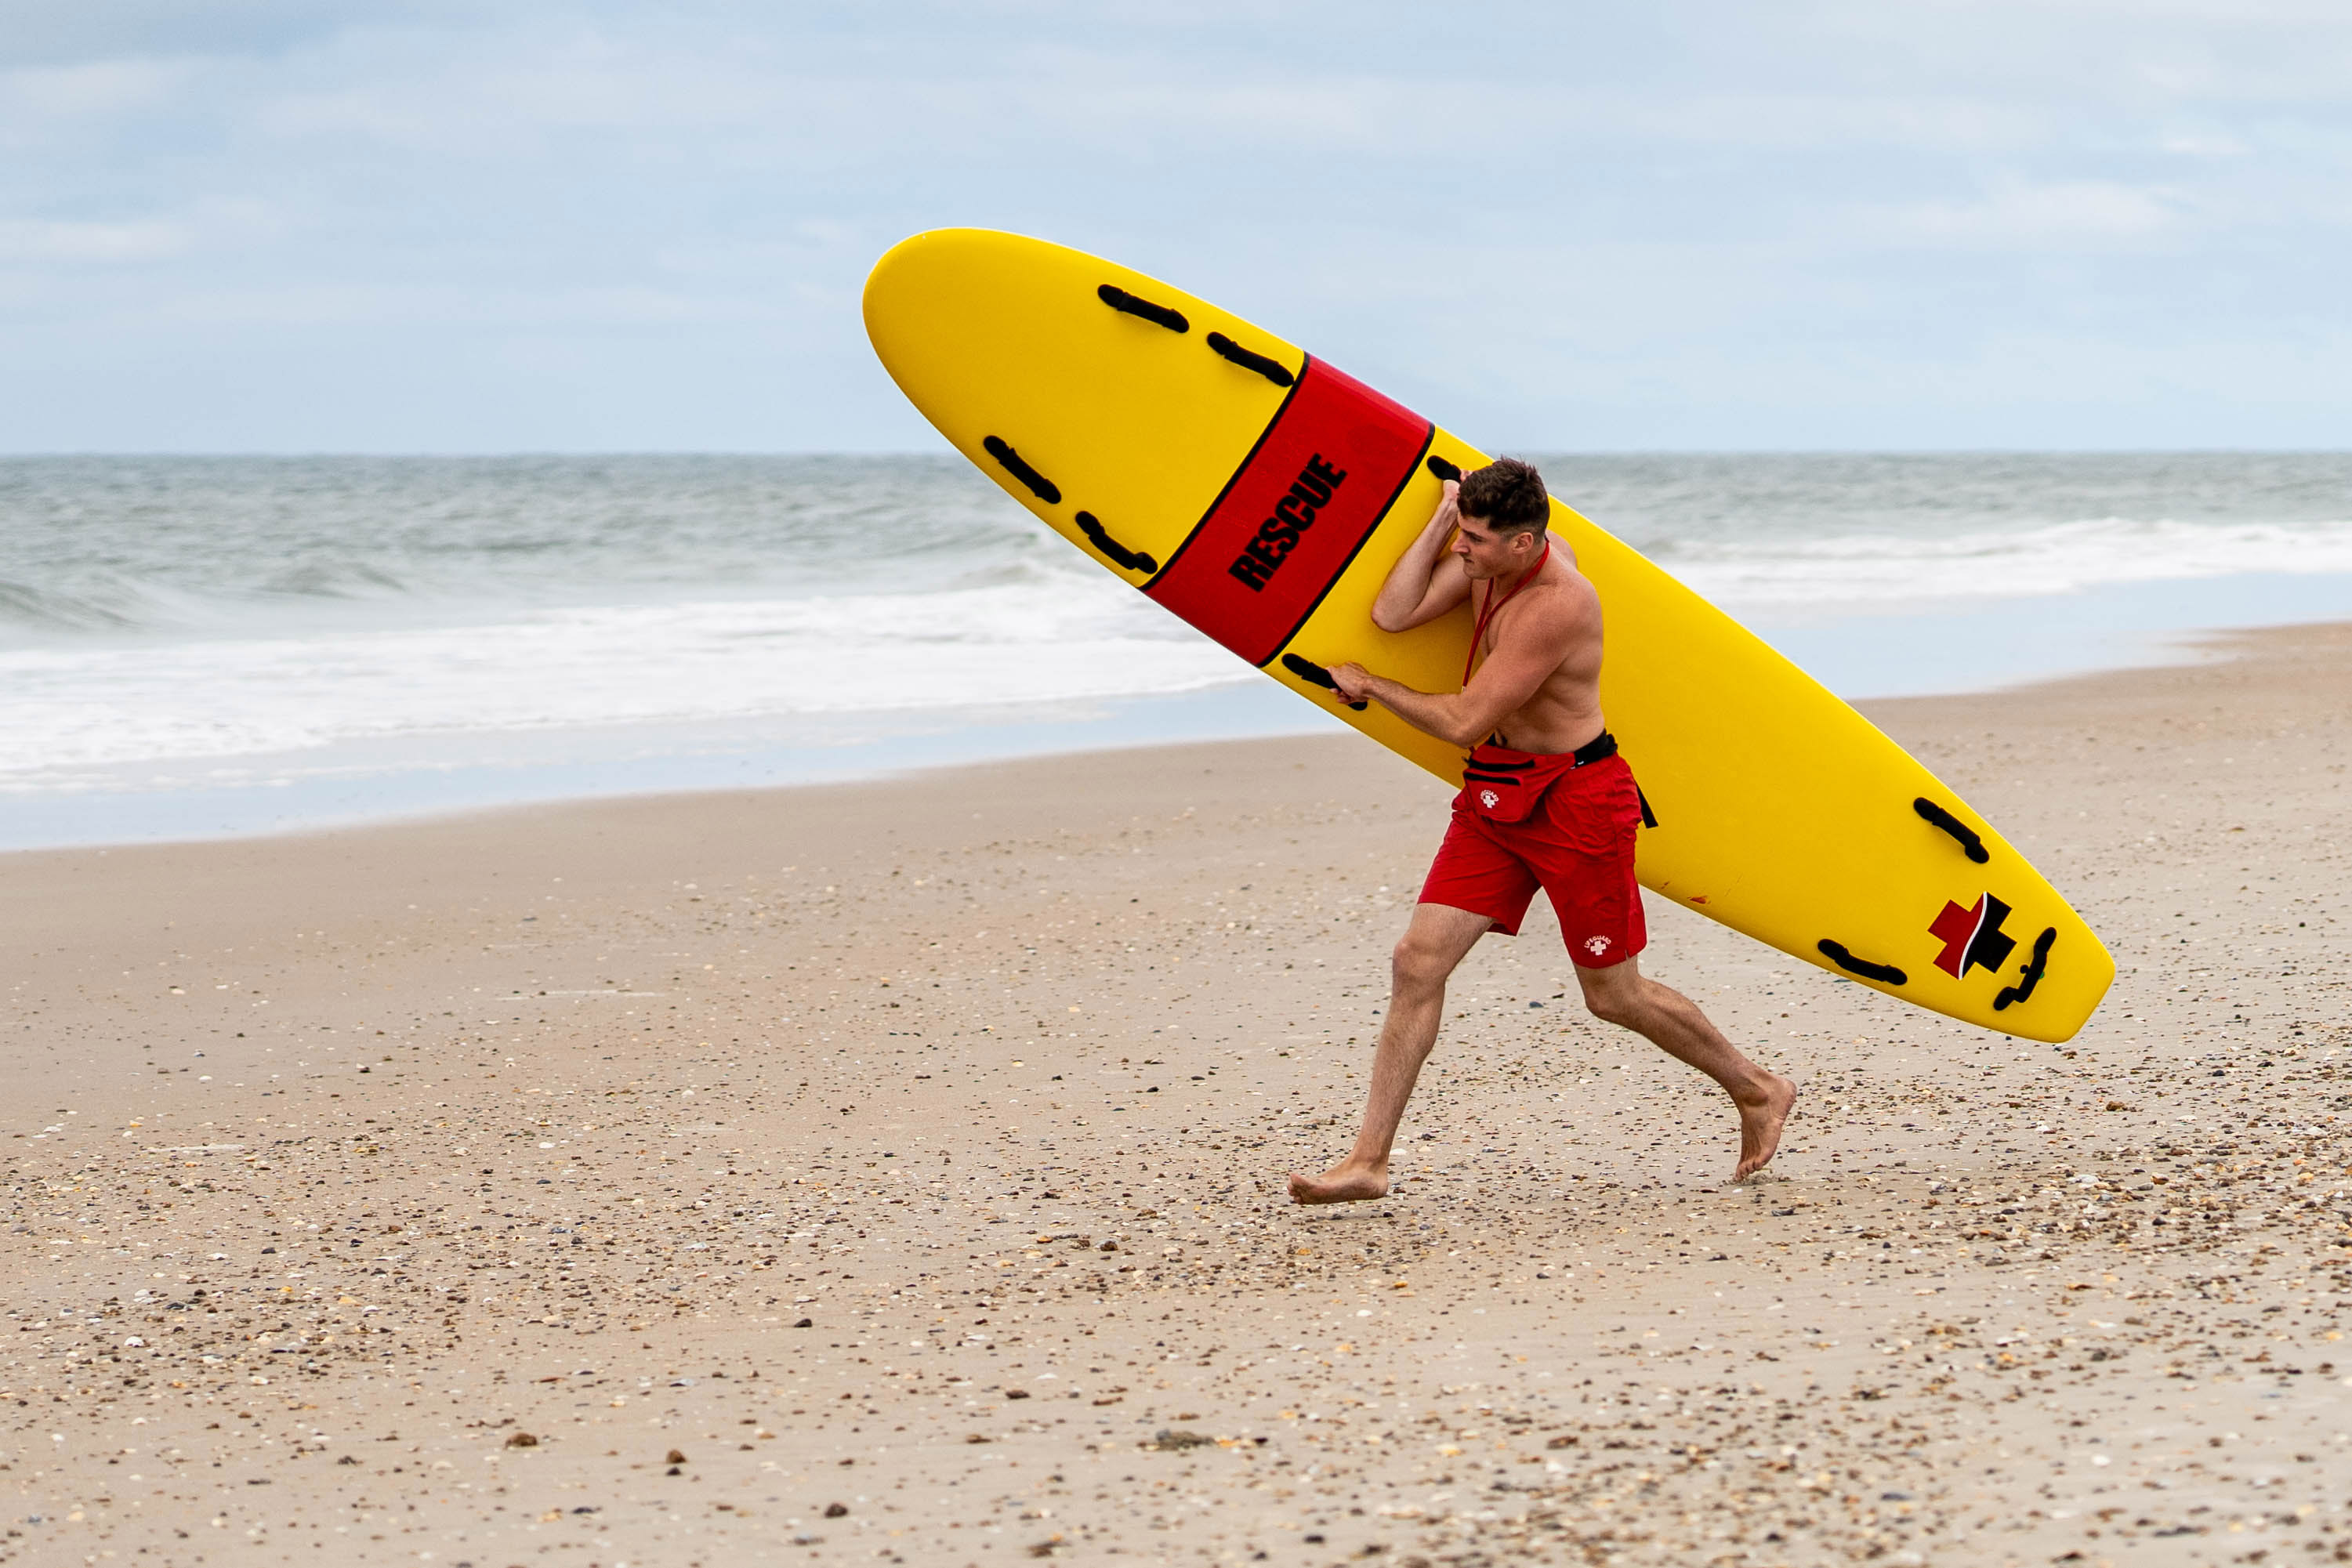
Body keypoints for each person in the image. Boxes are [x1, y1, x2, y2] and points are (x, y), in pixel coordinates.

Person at [1287, 458, 1795, 1202]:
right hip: (1497, 796)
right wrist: (1444, 519)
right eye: (1461, 537)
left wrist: (1374, 686)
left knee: (1612, 995)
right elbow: (1394, 615)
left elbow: (1464, 718)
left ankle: (1757, 1087)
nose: (1463, 553)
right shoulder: (1487, 559)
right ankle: (1367, 1162)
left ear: (1524, 544)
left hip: (1577, 802)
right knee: (1417, 961)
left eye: (1477, 542)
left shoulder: (1555, 603)